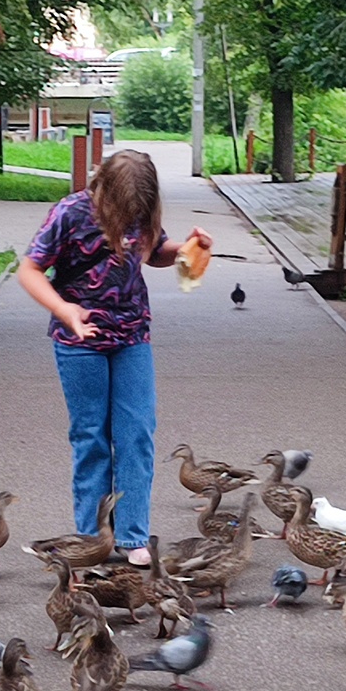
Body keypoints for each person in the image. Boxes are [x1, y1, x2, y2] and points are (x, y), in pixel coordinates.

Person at [17, 150, 211, 568]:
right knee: (91, 438)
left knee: (137, 434)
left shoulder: (139, 212)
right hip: (78, 341)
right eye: (121, 212)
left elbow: (154, 252)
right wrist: (64, 309)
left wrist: (187, 250)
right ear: (100, 186)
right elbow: (29, 271)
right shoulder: (69, 214)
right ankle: (92, 537)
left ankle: (132, 533)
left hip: (131, 335)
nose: (128, 222)